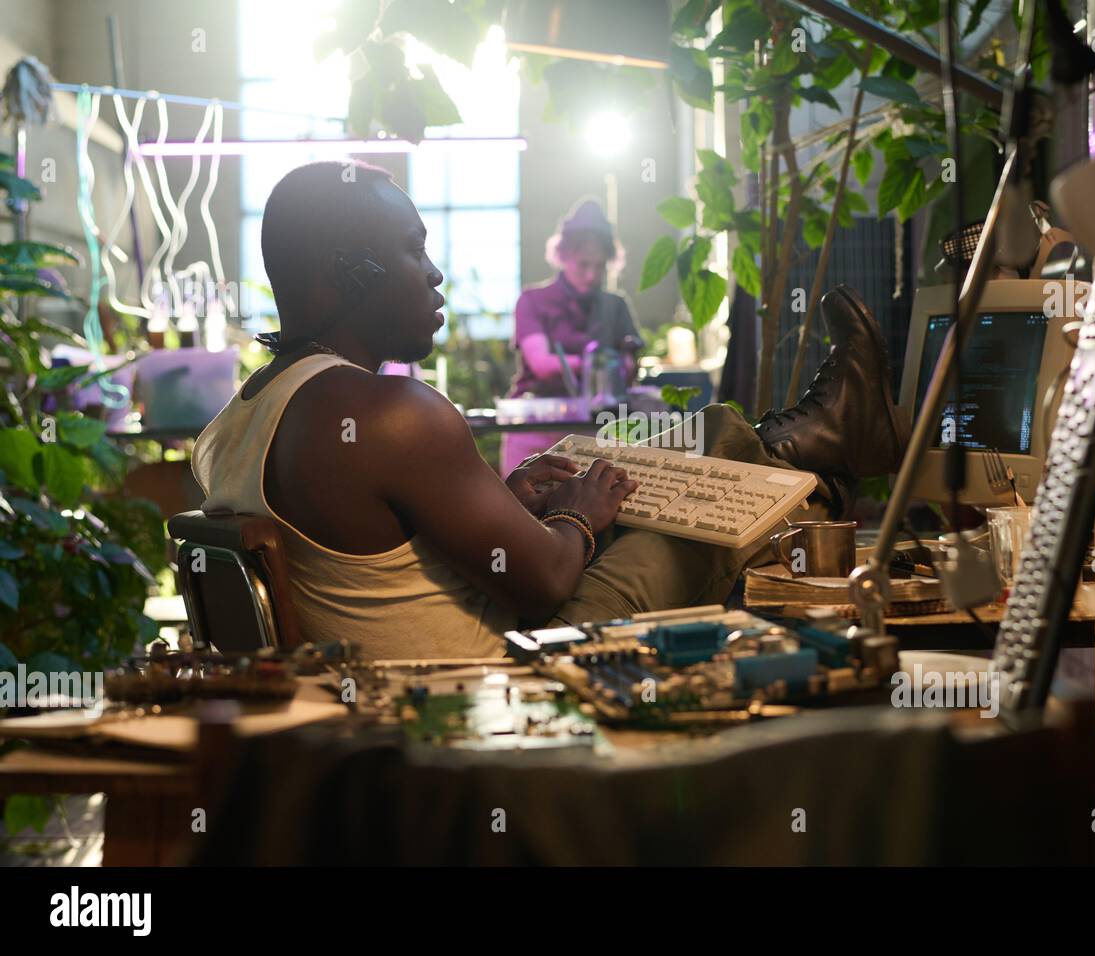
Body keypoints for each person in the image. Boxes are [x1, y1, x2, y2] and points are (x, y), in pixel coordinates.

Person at [193, 161, 908, 659]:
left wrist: (506, 507)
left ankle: (822, 449)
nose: (436, 272)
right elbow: (542, 583)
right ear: (352, 271)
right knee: (711, 460)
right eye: (414, 250)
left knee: (683, 456)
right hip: (510, 668)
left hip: (399, 675)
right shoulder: (392, 413)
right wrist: (573, 514)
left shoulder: (234, 424)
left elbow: (374, 560)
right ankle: (825, 450)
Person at [499, 199, 639, 476]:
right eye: (583, 264)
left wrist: (624, 366)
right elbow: (542, 363)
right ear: (562, 256)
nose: (591, 275)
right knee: (523, 508)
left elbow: (630, 366)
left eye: (600, 266)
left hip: (597, 428)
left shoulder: (616, 306)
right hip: (536, 426)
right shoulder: (533, 301)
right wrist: (600, 365)